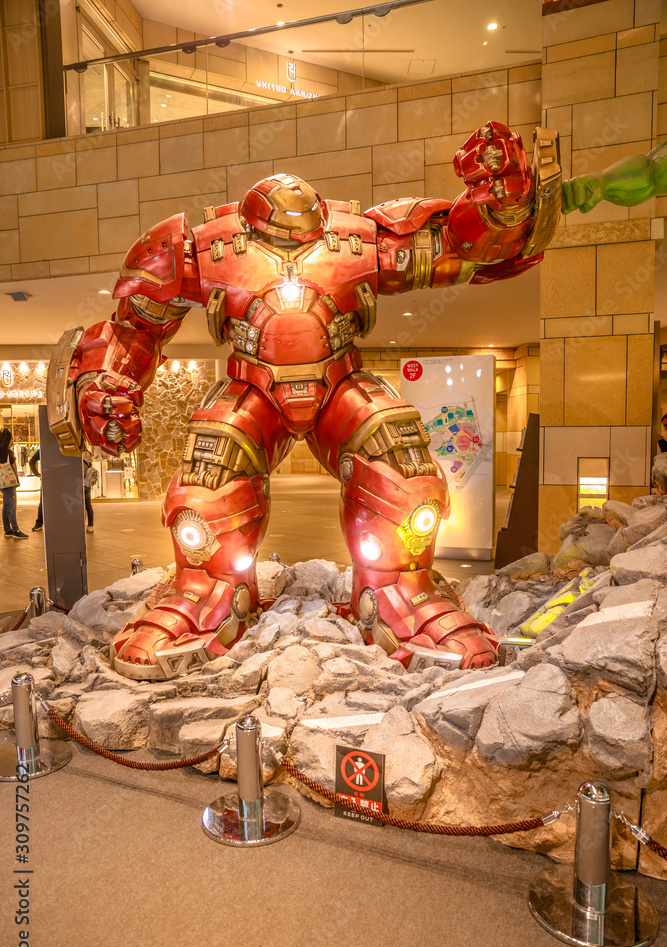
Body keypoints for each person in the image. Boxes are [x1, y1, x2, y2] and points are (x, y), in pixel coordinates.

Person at [56, 122, 562, 681]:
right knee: (209, 480)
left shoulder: (360, 237)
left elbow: (461, 246)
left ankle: (399, 587)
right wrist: (103, 384)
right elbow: (131, 329)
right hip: (254, 388)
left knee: (400, 463)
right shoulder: (196, 248)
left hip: (338, 384)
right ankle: (208, 588)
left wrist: (501, 203)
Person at [0, 429, 28, 539]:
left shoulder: (3, 450)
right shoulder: (2, 450)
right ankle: (16, 530)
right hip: (8, 483)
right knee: (11, 507)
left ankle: (7, 530)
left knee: (6, 507)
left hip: (5, 483)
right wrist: (5, 430)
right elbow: (9, 435)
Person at [82, 451, 97, 532]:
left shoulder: (80, 454)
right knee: (88, 505)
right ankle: (90, 525)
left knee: (82, 505)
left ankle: (83, 524)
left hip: (81, 485)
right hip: (87, 485)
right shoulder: (88, 455)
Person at [30, 448, 42, 531]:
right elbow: (31, 462)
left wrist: (36, 473)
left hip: (46, 479)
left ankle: (39, 523)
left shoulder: (43, 449)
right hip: (50, 480)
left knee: (43, 503)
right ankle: (39, 523)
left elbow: (31, 461)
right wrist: (36, 473)